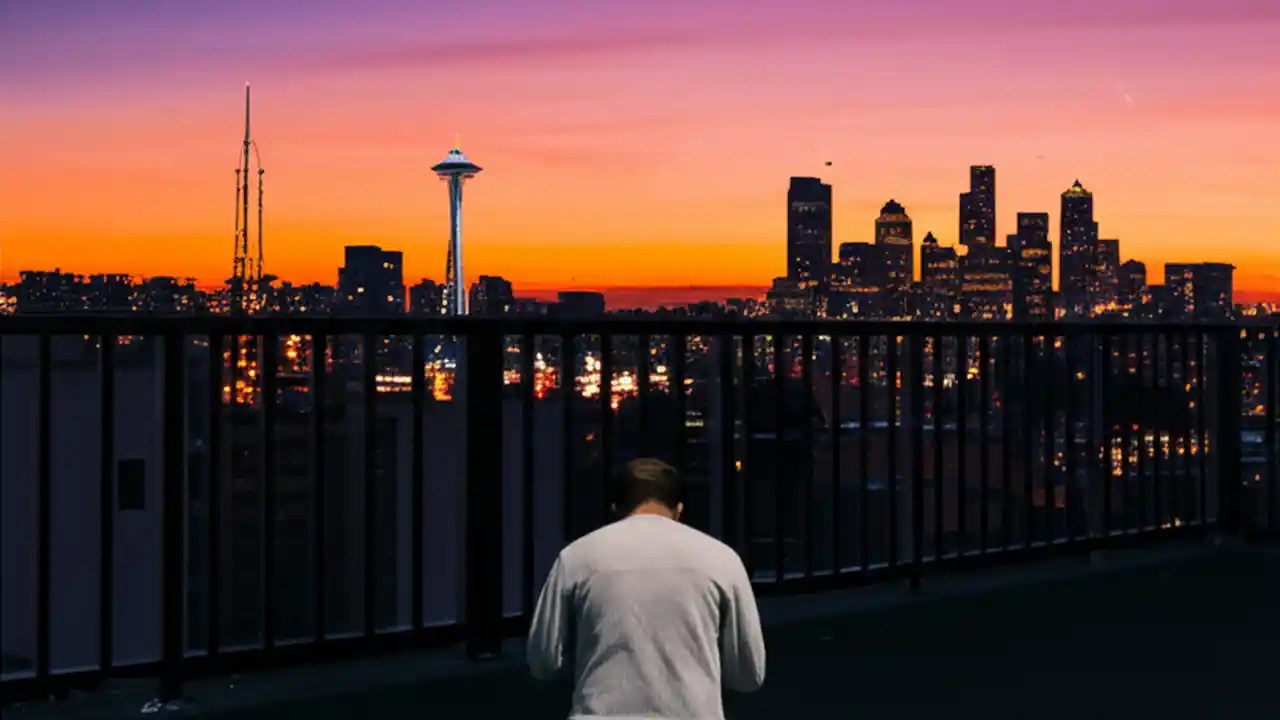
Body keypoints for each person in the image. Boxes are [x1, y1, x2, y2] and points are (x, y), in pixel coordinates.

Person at [527, 458, 766, 719]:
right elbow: (748, 674)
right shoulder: (721, 559)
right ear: (679, 509)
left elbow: (543, 661)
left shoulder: (576, 557)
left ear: (615, 508)